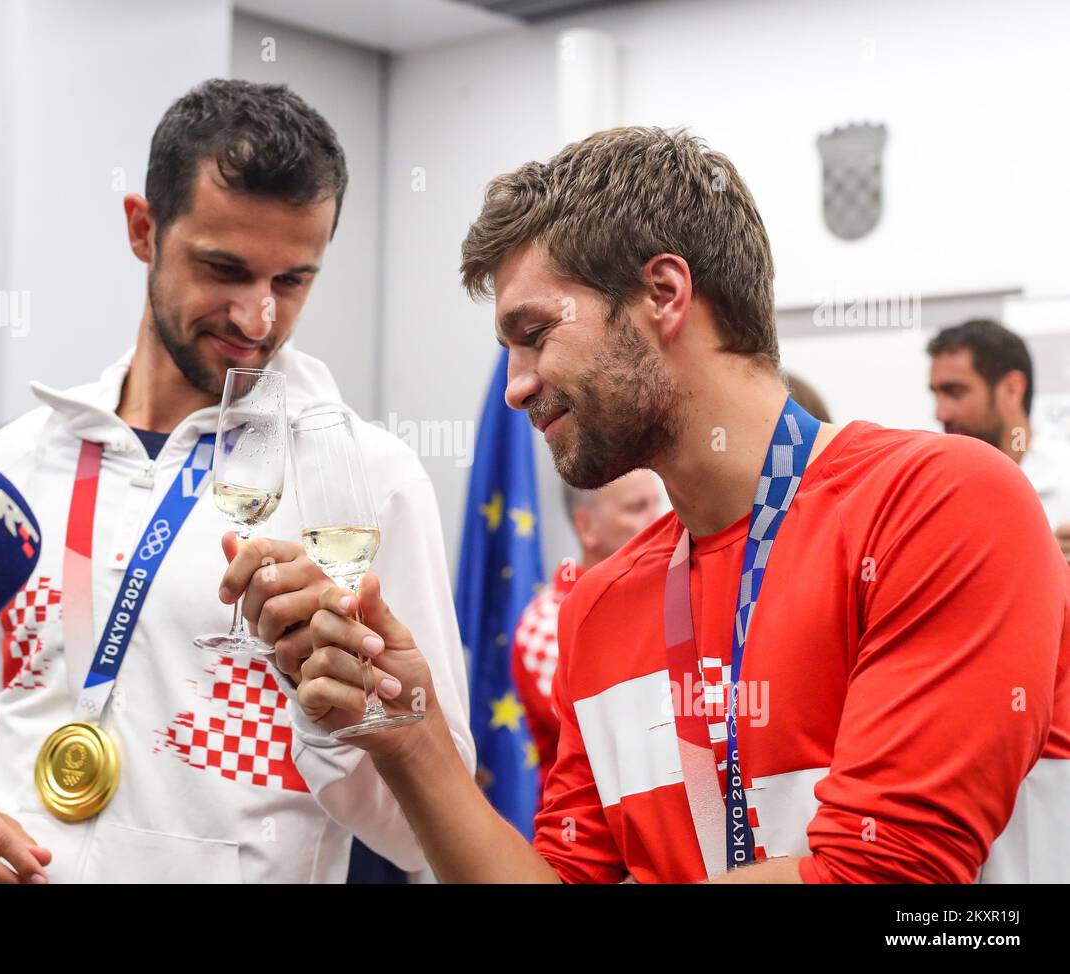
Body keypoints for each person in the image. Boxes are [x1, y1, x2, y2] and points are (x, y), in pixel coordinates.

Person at [290, 126, 1070, 883]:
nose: (515, 386)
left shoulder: (940, 504)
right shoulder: (597, 607)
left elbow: (884, 875)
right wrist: (411, 738)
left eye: (533, 335)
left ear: (663, 295)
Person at [0, 79, 474, 884]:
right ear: (143, 230)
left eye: (293, 281)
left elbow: (432, 832)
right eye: (226, 269)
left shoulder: (364, 478)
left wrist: (346, 713)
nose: (259, 317)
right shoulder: (20, 456)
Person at [512, 470, 665, 798]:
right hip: (585, 834)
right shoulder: (547, 621)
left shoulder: (661, 597)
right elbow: (623, 731)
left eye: (657, 503)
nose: (658, 522)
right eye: (637, 508)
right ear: (586, 527)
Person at [928, 318, 1070, 561]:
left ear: (1012, 389)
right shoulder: (932, 492)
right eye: (937, 394)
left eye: (955, 392)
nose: (941, 413)